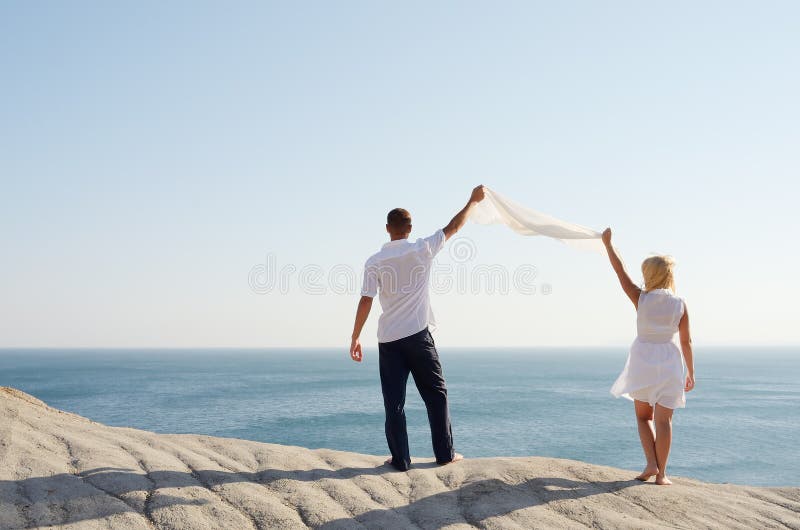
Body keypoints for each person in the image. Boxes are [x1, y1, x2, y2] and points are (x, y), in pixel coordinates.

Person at [349, 185, 486, 471]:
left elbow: (366, 300)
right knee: (436, 395)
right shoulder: (422, 249)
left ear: (388, 228)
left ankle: (401, 460)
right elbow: (454, 227)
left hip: (389, 340)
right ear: (410, 228)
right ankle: (445, 454)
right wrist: (472, 201)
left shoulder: (375, 261)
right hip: (418, 336)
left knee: (394, 403)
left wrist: (355, 336)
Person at [602, 228, 695, 485]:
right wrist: (691, 372)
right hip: (670, 363)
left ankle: (650, 464)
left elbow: (620, 272)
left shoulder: (640, 298)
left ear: (648, 275)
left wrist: (608, 245)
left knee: (644, 417)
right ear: (669, 275)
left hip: (643, 362)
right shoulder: (680, 304)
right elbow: (686, 341)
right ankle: (662, 475)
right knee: (664, 421)